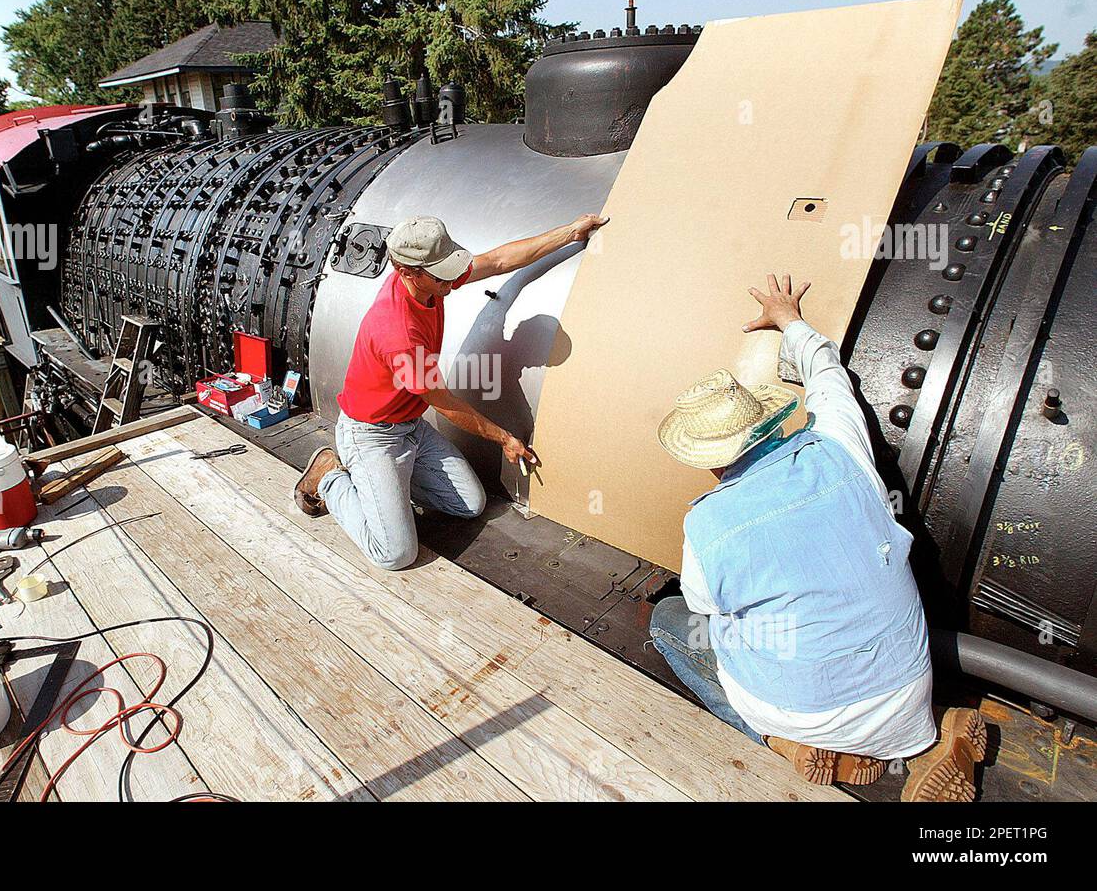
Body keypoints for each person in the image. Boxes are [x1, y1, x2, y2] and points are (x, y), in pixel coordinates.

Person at [649, 273, 986, 801]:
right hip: (909, 691)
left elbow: (705, 608)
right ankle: (931, 733)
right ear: (766, 420)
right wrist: (789, 319)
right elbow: (829, 377)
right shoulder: (839, 445)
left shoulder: (706, 523)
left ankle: (780, 741)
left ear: (705, 458)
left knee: (671, 622)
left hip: (803, 712)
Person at [294, 213, 608, 571]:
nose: (453, 278)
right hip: (372, 435)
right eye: (442, 273)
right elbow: (444, 403)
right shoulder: (398, 332)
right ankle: (331, 477)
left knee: (470, 504)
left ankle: (384, 490)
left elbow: (498, 261)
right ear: (409, 272)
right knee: (395, 553)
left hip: (411, 427)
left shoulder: (430, 279)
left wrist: (570, 232)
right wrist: (505, 439)